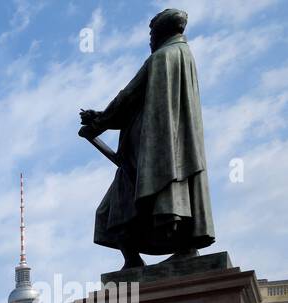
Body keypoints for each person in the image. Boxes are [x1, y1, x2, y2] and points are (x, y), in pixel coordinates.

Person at [78, 9, 214, 268]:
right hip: (170, 150)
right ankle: (177, 250)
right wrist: (102, 118)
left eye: (151, 33)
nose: (149, 40)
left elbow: (128, 97)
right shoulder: (183, 57)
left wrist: (100, 121)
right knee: (156, 201)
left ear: (162, 32)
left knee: (111, 211)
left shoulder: (162, 57)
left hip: (149, 155)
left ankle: (135, 261)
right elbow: (140, 105)